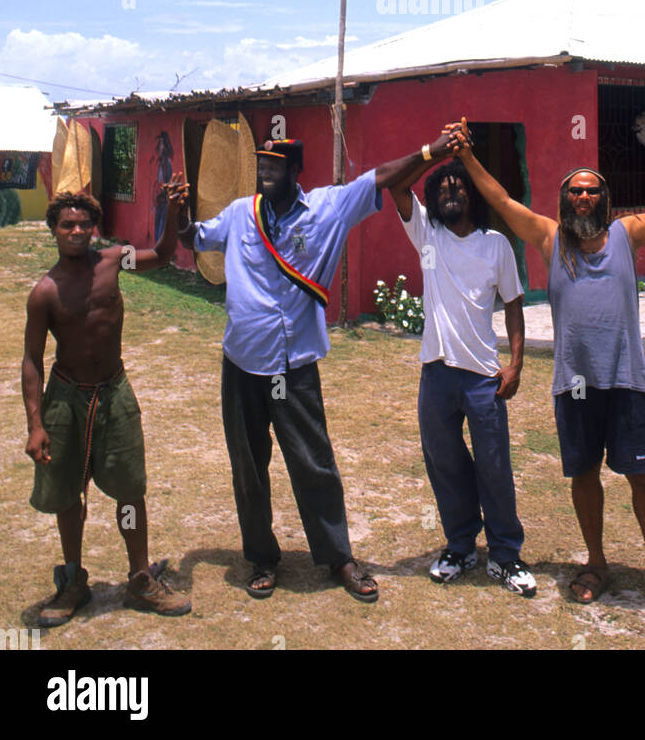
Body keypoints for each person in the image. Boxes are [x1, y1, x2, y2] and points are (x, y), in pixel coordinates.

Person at [447, 118, 645, 626]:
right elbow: (503, 202)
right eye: (575, 192)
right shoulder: (549, 237)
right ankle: (596, 562)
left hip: (626, 379)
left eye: (592, 191)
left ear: (604, 199)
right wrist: (467, 158)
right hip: (574, 385)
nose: (584, 198)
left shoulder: (626, 234)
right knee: (584, 475)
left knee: (642, 478)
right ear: (564, 199)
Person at [178, 131, 459, 602]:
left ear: (294, 171)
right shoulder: (240, 214)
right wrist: (177, 213)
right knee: (248, 467)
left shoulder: (329, 208)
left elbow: (384, 175)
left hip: (293, 368)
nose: (264, 171)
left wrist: (432, 152)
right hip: (242, 364)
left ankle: (338, 557)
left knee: (314, 464)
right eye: (261, 163)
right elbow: (194, 239)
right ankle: (263, 558)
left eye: (273, 165)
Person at [23, 180, 192, 626]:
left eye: (83, 225)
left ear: (95, 228)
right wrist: (36, 424)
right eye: (66, 226)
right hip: (66, 398)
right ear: (53, 230)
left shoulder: (116, 261)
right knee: (66, 492)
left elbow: (163, 255)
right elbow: (32, 360)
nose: (76, 232)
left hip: (114, 392)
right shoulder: (45, 292)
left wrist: (173, 213)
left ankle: (140, 578)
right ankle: (74, 580)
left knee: (130, 489)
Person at [390, 150, 535, 595]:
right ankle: (460, 545)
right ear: (433, 200)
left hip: (483, 378)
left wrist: (515, 363)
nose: (451, 194)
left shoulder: (496, 245)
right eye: (442, 189)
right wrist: (434, 152)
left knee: (494, 466)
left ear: (472, 196)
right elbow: (396, 186)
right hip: (436, 375)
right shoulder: (427, 235)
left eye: (458, 188)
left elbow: (513, 306)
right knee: (444, 462)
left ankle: (506, 555)